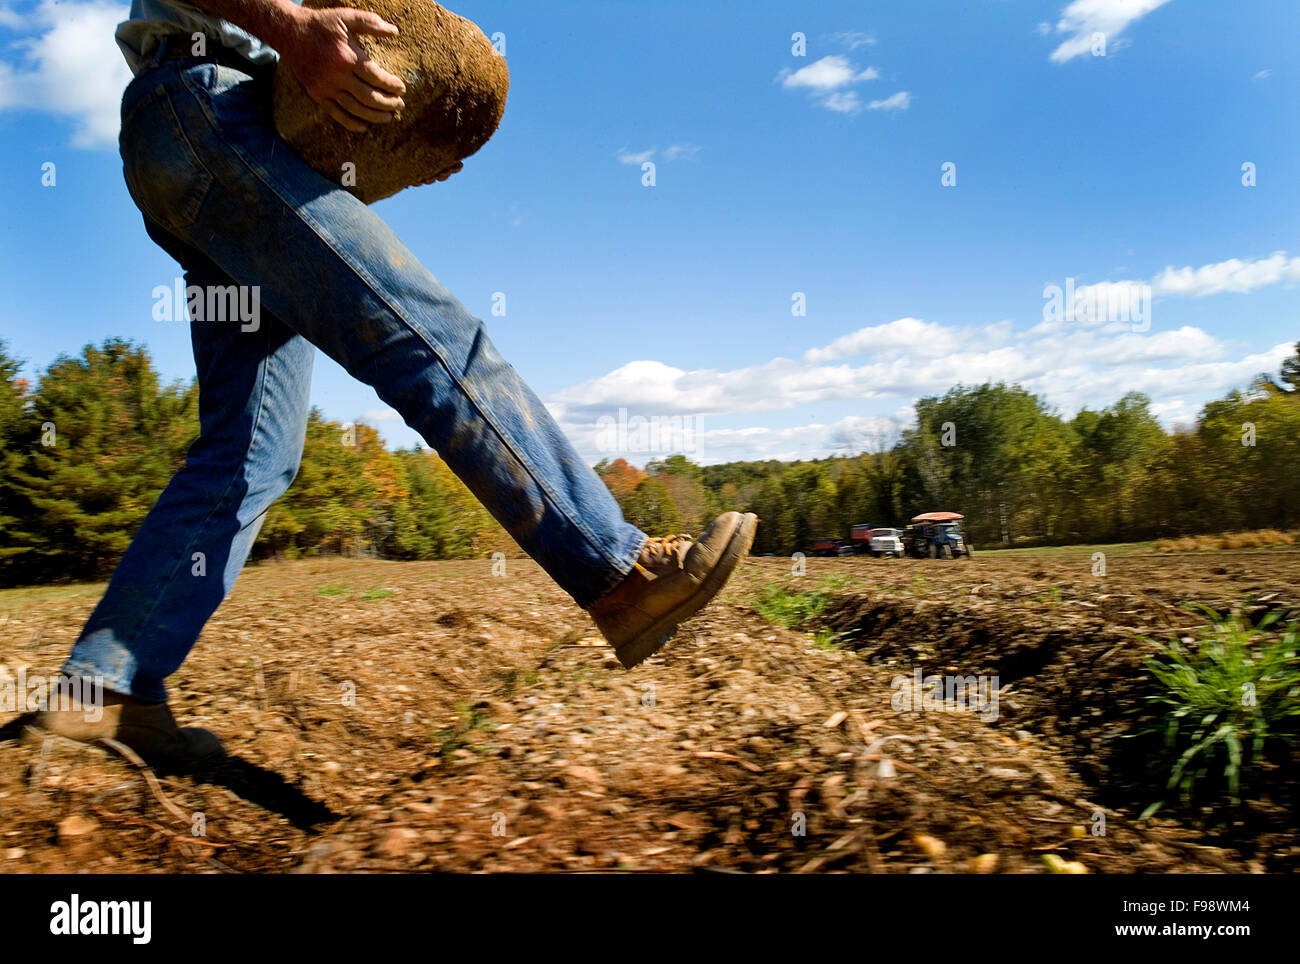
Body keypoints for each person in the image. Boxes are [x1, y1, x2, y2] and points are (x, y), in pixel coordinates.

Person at [33, 0, 757, 766]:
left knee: (249, 455)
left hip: (191, 126)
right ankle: (619, 573)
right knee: (428, 335)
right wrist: (289, 29)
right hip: (212, 107)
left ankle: (106, 691)